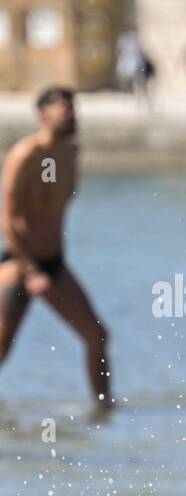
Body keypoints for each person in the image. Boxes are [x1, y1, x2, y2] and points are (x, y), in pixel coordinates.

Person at [0, 88, 112, 418]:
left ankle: (104, 411)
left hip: (55, 265)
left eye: (75, 108)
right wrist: (30, 268)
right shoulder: (26, 155)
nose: (74, 115)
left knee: (98, 336)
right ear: (43, 115)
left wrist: (46, 268)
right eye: (66, 109)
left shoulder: (69, 153)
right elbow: (8, 218)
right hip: (21, 263)